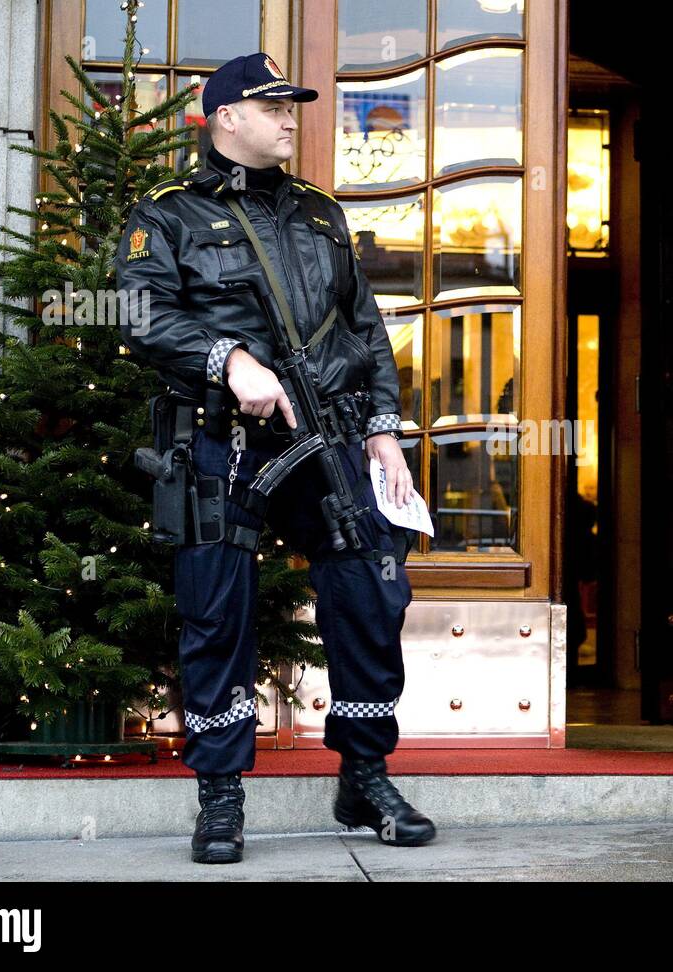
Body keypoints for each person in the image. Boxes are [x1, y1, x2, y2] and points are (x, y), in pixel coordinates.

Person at [115, 52, 435, 862]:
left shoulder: (322, 213)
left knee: (370, 589)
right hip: (224, 440)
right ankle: (221, 795)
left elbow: (365, 329)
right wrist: (228, 357)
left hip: (329, 438)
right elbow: (137, 313)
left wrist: (385, 428)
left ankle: (364, 777)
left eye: (293, 106)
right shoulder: (171, 214)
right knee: (216, 607)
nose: (291, 118)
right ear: (226, 117)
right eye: (273, 107)